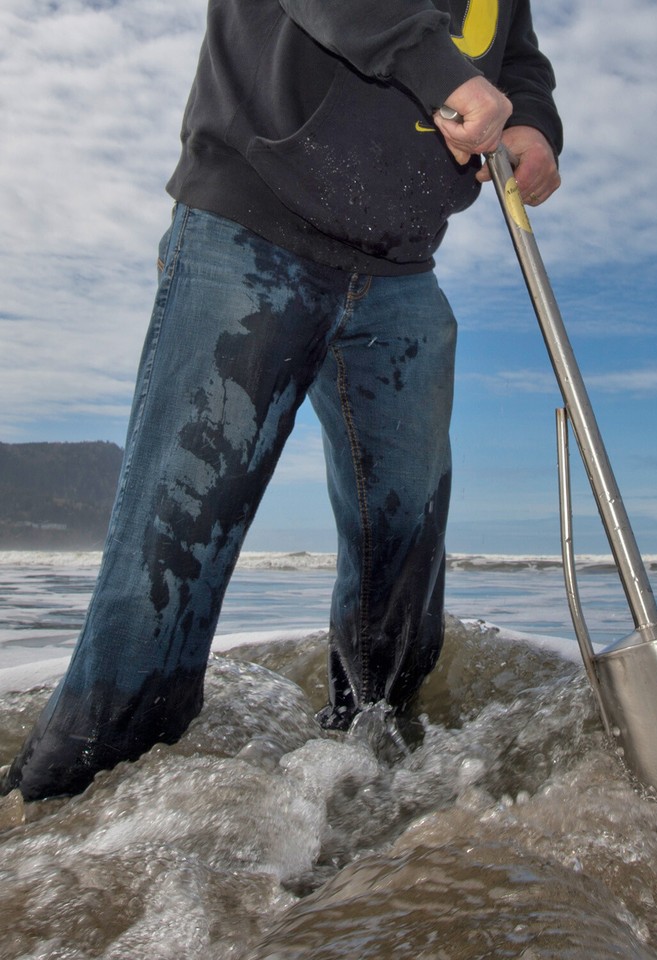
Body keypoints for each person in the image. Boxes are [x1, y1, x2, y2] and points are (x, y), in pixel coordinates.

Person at [1, 0, 561, 802]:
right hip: (250, 227)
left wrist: (536, 126)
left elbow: (520, 60)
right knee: (172, 551)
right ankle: (70, 810)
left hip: (401, 271)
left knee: (403, 551)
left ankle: (370, 779)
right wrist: (438, 68)